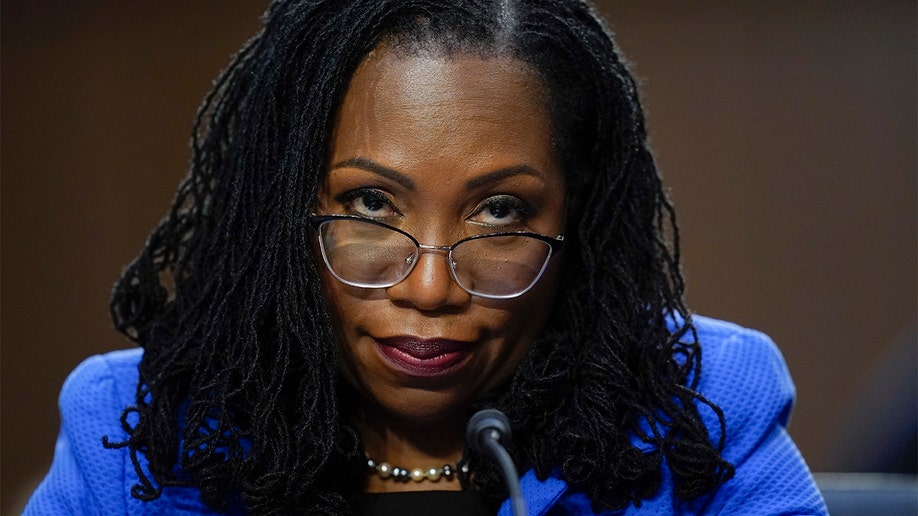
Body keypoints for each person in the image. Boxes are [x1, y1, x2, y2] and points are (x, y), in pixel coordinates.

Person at [25, 1, 827, 514]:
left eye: (500, 212)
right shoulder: (130, 433)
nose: (432, 286)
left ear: (577, 223)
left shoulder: (707, 411)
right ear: (285, 217)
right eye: (371, 205)